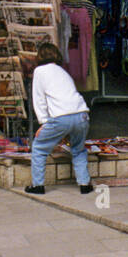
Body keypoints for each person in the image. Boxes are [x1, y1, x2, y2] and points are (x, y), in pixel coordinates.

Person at [24, 43, 93, 195]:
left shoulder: (39, 71)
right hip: (81, 114)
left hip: (61, 117)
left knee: (39, 148)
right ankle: (85, 184)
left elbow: (39, 99)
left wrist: (43, 122)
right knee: (78, 149)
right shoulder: (63, 71)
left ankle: (38, 185)